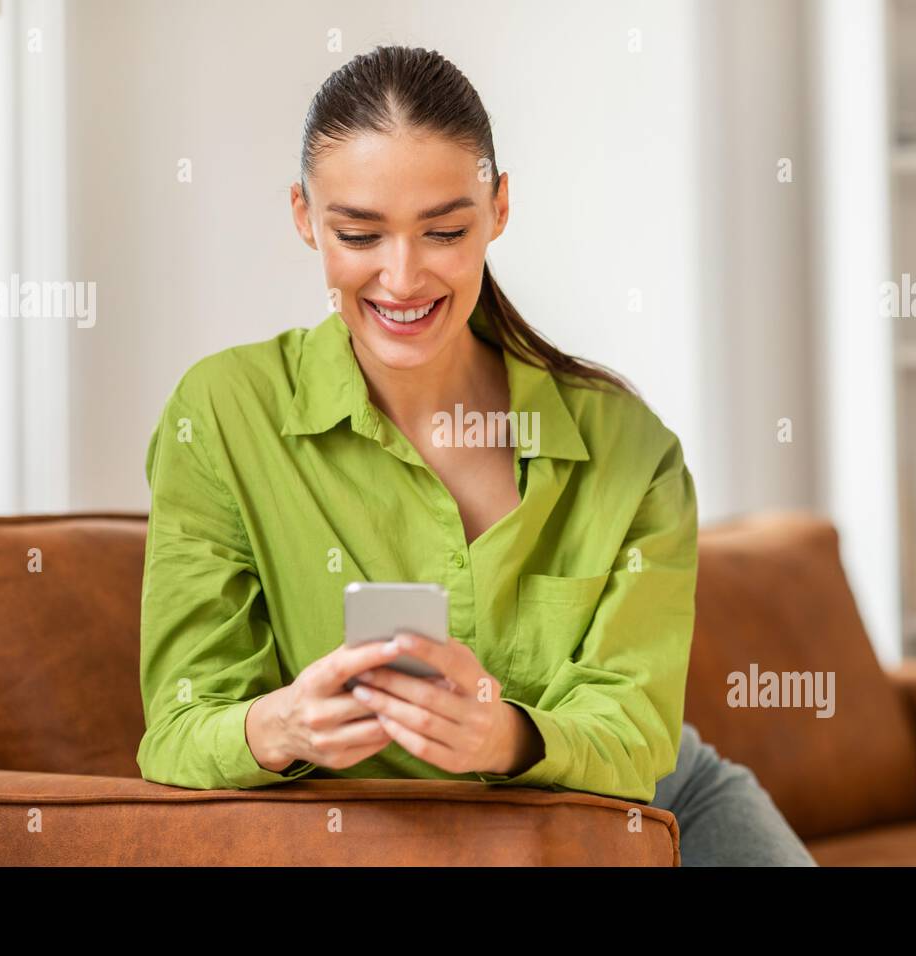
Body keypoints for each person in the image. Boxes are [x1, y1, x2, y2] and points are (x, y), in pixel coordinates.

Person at [136, 44, 816, 867]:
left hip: (631, 811)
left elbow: (636, 738)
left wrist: (505, 734)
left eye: (445, 231)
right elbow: (180, 727)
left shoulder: (628, 449)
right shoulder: (221, 415)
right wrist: (282, 724)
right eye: (359, 233)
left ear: (498, 209)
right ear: (304, 216)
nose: (402, 276)